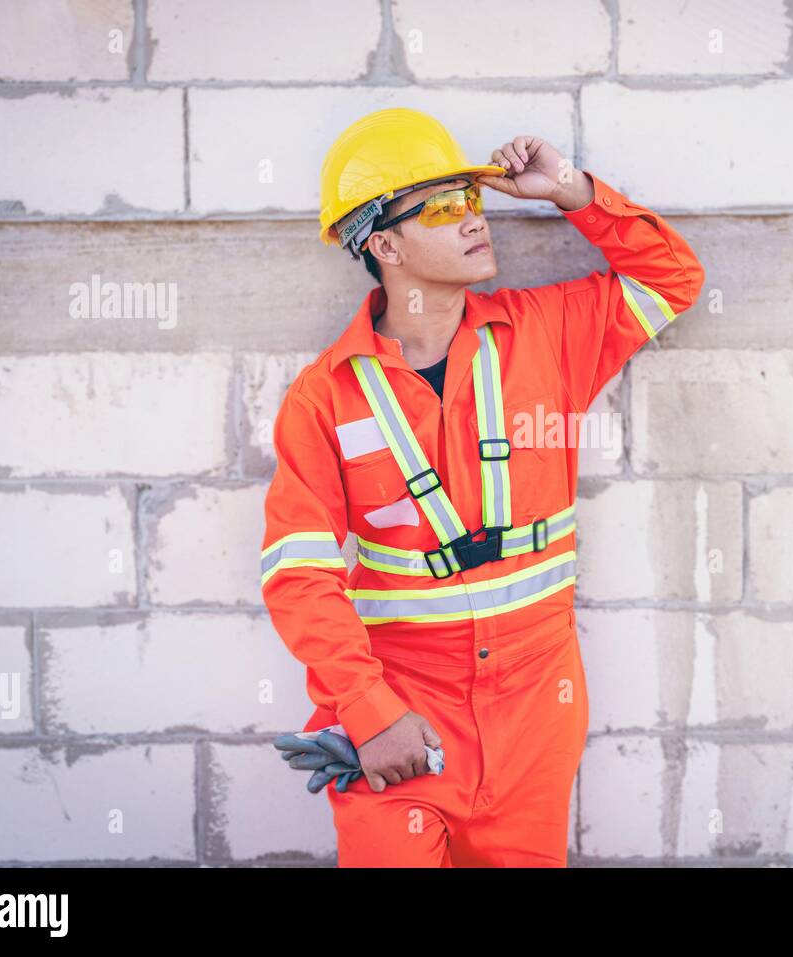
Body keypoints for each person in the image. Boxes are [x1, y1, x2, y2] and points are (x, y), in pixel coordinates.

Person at [260, 107, 704, 866]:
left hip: (538, 713)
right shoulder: (325, 395)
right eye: (441, 205)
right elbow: (298, 575)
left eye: (472, 198)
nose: (473, 218)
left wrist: (568, 187)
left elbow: (674, 278)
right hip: (402, 723)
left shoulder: (547, 335)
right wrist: (369, 713)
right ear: (384, 243)